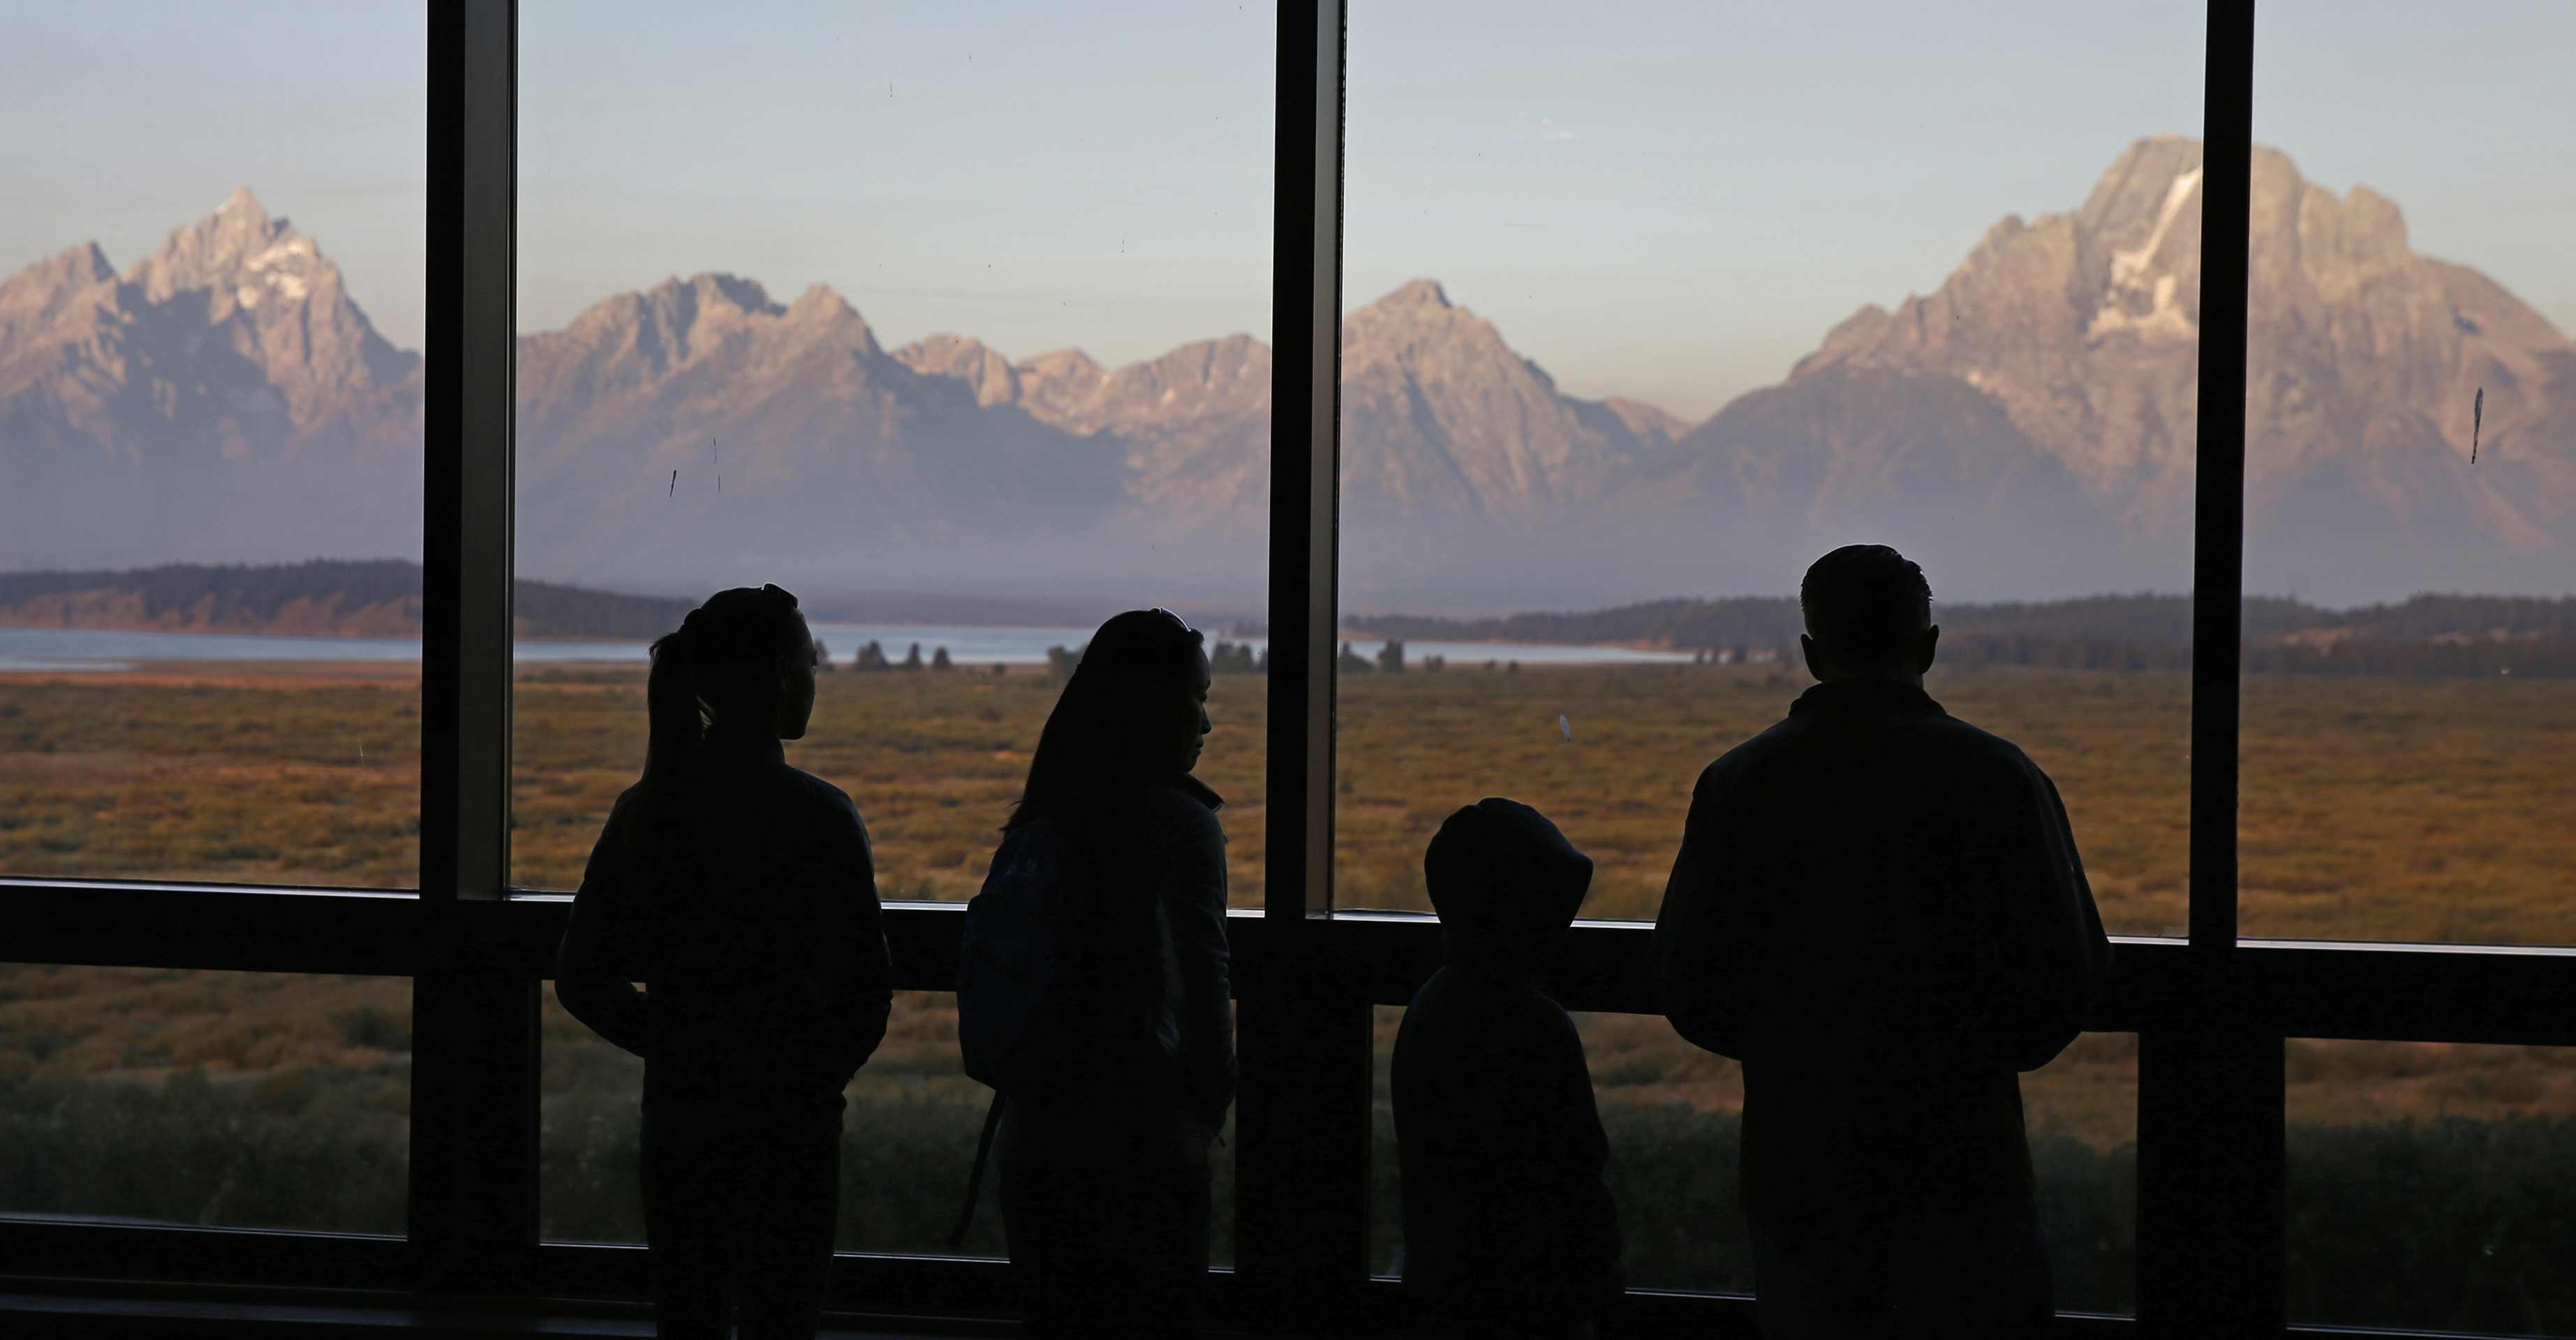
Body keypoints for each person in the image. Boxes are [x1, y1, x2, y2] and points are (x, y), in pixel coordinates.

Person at [1648, 545, 2110, 1339]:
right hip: (1965, 1160)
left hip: (1801, 1164)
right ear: (1928, 646)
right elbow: (2071, 971)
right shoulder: (2000, 776)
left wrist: (1799, 1051)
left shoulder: (1741, 781)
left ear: (1811, 653)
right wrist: (1965, 1056)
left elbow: (1687, 981)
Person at [556, 584, 892, 1340]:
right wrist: (808, 1073)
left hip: (680, 1117)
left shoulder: (648, 810)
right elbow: (866, 990)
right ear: (780, 676)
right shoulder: (819, 815)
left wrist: (680, 1042)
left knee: (690, 1316)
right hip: (792, 1128)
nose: (816, 680)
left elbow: (582, 975)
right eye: (811, 664)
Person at [993, 608, 1235, 1339]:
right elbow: (1202, 977)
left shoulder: (1046, 811)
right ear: (1154, 704)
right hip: (1143, 1135)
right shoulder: (1179, 822)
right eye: (1198, 697)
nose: (1207, 722)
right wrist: (1209, 1100)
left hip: (1034, 1131)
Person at [1392, 798, 1623, 1340]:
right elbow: (1574, 1169)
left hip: (1451, 1286)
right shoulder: (1531, 1020)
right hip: (1534, 1297)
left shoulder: (1433, 1005)